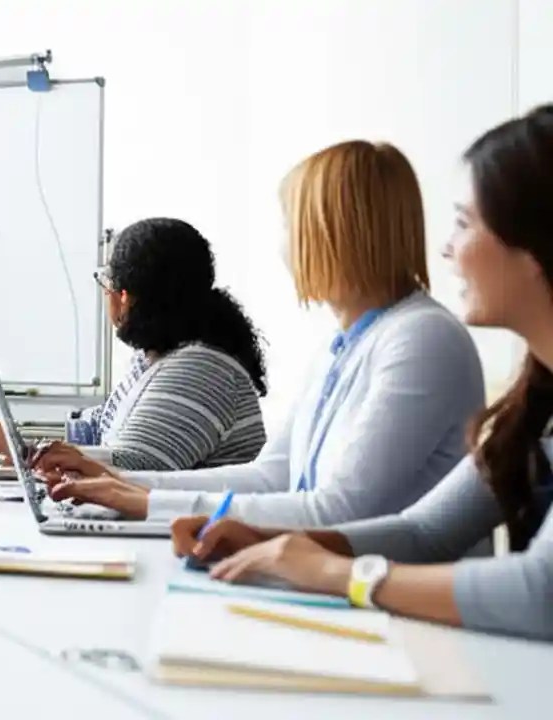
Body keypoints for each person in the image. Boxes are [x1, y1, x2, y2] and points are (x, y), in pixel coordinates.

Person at [170, 105, 553, 640]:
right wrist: (266, 539)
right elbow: (426, 531)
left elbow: (541, 592)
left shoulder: (424, 336)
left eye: (465, 223)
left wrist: (338, 573)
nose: (447, 248)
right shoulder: (533, 399)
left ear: (535, 247)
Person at [35, 140, 484, 528]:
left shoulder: (421, 340)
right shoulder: (344, 346)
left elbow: (338, 510)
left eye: (289, 224)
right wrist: (119, 482)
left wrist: (145, 500)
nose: (284, 246)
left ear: (331, 233)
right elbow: (271, 476)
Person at [0, 218, 268, 472]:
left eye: (106, 283)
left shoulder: (199, 370)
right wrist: (16, 443)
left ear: (125, 296)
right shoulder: (155, 358)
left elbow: (137, 468)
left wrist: (25, 452)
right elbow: (98, 431)